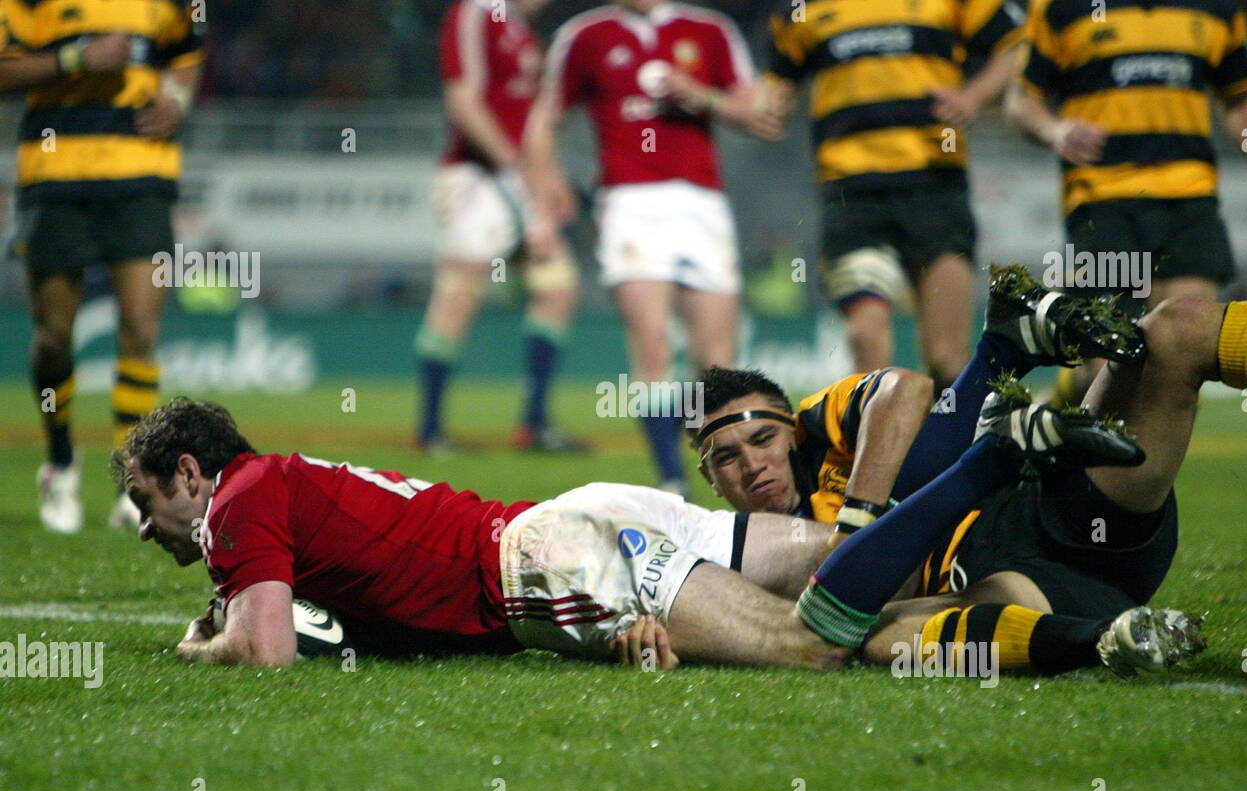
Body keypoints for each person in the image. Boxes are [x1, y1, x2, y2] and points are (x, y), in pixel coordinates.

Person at [113, 381, 1174, 679]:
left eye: (148, 499)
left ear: (190, 471)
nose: (148, 526)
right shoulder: (287, 480)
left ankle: (992, 453)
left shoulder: (241, 503)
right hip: (570, 521)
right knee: (834, 572)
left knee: (815, 639)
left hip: (540, 567)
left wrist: (197, 639)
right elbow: (337, 623)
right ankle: (999, 436)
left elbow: (263, 650)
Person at [693, 267, 1247, 674]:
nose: (753, 465)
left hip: (1052, 505)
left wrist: (852, 536)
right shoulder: (738, 551)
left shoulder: (815, 427)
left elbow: (903, 390)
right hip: (1017, 590)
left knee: (1175, 328)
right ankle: (1109, 640)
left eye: (761, 439)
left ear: (786, 428)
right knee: (873, 639)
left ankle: (1004, 366)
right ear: (709, 481)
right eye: (726, 458)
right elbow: (807, 623)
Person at [523, 0, 774, 497]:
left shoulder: (710, 30)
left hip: (702, 206)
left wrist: (698, 93)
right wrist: (543, 201)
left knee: (718, 363)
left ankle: (722, 481)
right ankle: (672, 484)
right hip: (630, 205)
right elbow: (542, 121)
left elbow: (758, 113)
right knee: (652, 347)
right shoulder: (585, 34)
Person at [1004, 0, 1247, 403]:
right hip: (1103, 202)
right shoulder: (1060, 8)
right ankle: (1061, 400)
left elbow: (1240, 102)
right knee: (1105, 368)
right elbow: (1021, 101)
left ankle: (1144, 465)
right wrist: (1053, 129)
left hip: (1189, 202)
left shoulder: (1219, 8)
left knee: (1183, 352)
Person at [0, 0, 204, 533]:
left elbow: (188, 52)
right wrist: (75, 59)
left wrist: (177, 99)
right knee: (53, 337)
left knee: (140, 330)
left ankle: (133, 483)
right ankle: (62, 462)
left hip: (142, 175)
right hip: (54, 175)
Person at [753, 0, 1028, 389]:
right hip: (852, 195)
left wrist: (974, 96)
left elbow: (1017, 43)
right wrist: (765, 104)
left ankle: (943, 448)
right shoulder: (803, 10)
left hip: (935, 187)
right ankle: (879, 446)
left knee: (949, 363)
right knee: (866, 340)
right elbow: (776, 81)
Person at [418, 0, 584, 455]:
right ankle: (429, 432)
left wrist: (549, 182)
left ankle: (533, 424)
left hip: (518, 179)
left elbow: (531, 124)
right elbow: (463, 103)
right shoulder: (474, 12)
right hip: (475, 177)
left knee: (558, 287)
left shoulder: (521, 31)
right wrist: (519, 178)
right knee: (458, 295)